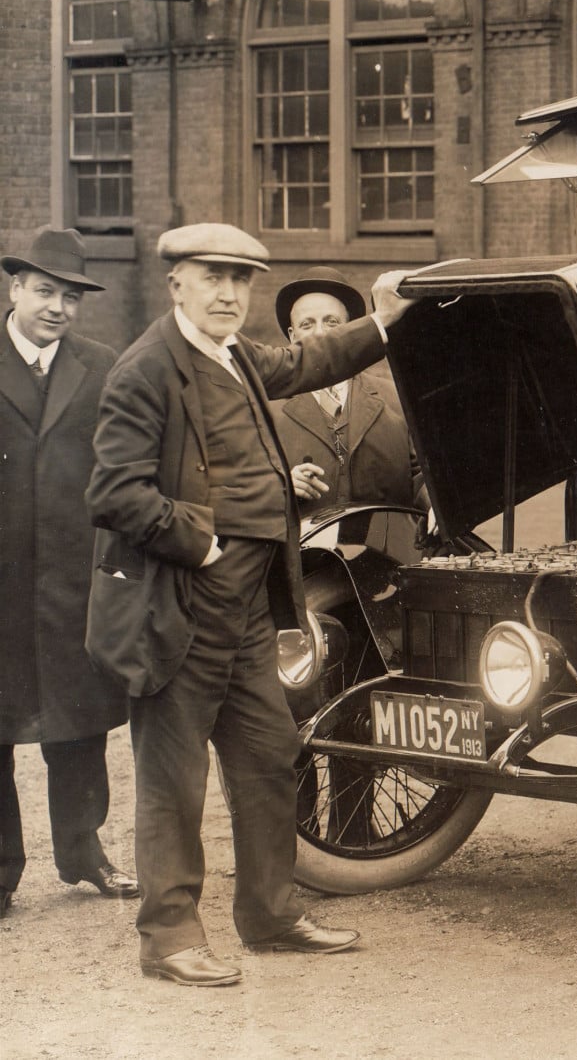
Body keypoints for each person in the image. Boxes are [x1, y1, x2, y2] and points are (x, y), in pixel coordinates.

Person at [84, 223, 415, 986]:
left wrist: (384, 320)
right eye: (213, 277)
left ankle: (269, 915)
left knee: (270, 757)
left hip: (248, 612)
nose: (229, 293)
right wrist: (202, 544)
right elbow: (115, 493)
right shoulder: (145, 371)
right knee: (173, 780)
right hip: (180, 606)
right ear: (176, 284)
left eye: (240, 279)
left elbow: (307, 360)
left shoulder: (234, 354)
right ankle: (168, 937)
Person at [0, 228, 139, 921]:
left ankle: (83, 850)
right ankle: (0, 871)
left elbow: (121, 465)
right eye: (45, 291)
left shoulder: (100, 365)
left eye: (70, 297)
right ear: (15, 288)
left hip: (74, 579)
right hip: (1, 584)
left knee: (80, 721)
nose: (57, 307)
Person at [272, 266, 422, 517]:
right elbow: (237, 488)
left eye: (332, 322)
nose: (320, 333)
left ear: (351, 330)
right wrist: (279, 486)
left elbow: (421, 477)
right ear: (292, 335)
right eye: (307, 325)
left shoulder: (395, 397)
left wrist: (436, 507)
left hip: (387, 541)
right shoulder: (266, 408)